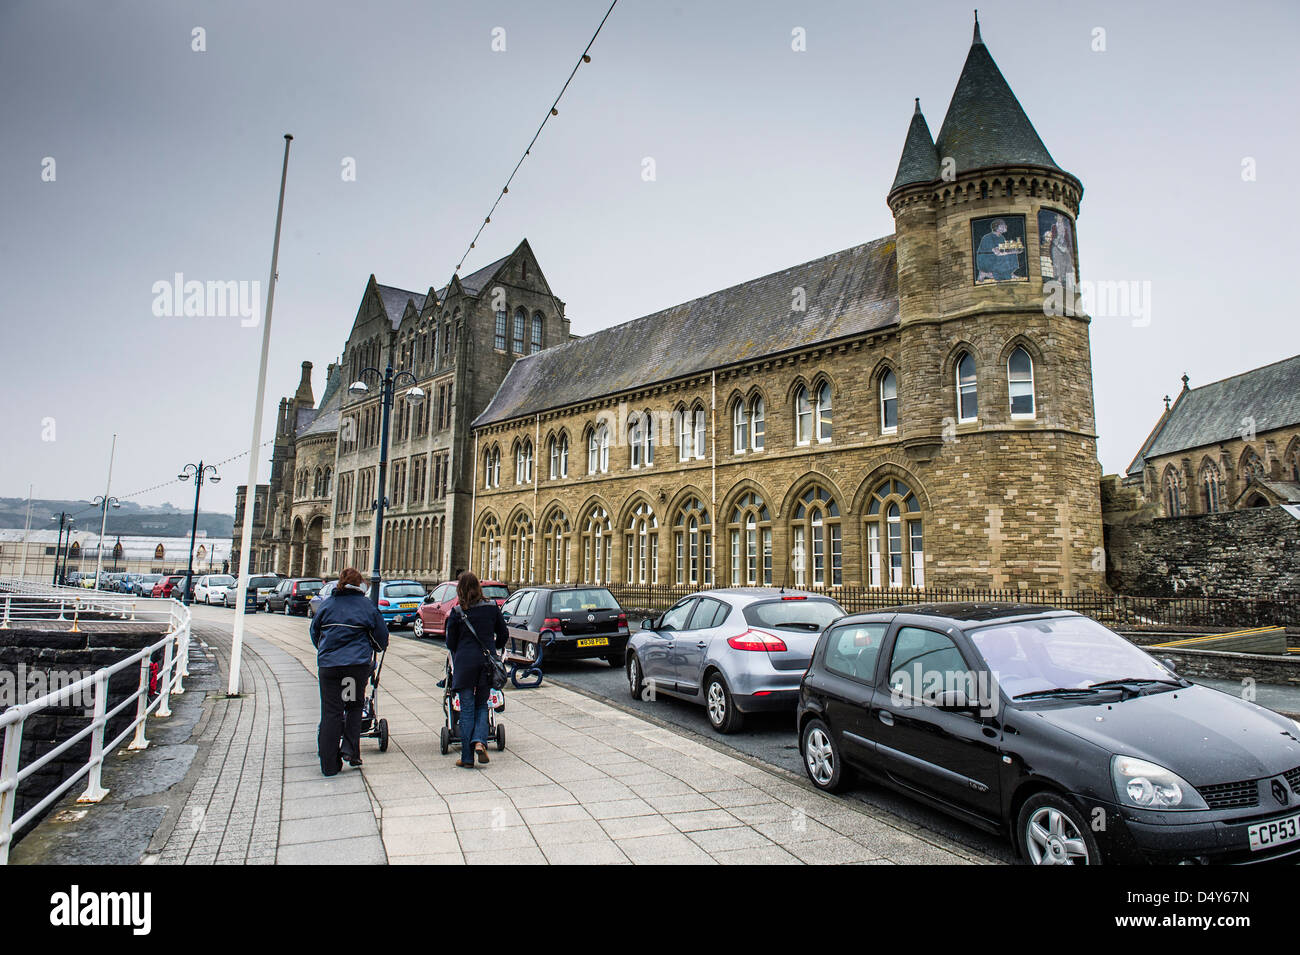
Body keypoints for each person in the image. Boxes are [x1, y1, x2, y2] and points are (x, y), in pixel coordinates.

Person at [309, 567, 389, 776]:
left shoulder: (327, 606)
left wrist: (326, 651)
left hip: (329, 668)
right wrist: (375, 649)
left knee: (331, 712)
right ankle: (349, 750)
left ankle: (328, 764)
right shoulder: (367, 607)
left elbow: (314, 632)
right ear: (360, 583)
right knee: (353, 706)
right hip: (353, 668)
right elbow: (382, 636)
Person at [444, 571, 508, 768]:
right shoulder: (491, 608)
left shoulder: (456, 613)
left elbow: (450, 643)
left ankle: (467, 757)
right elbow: (504, 633)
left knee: (467, 709)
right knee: (482, 705)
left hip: (464, 665)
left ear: (460, 590)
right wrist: (494, 647)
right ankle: (480, 741)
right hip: (486, 663)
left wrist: (461, 652)